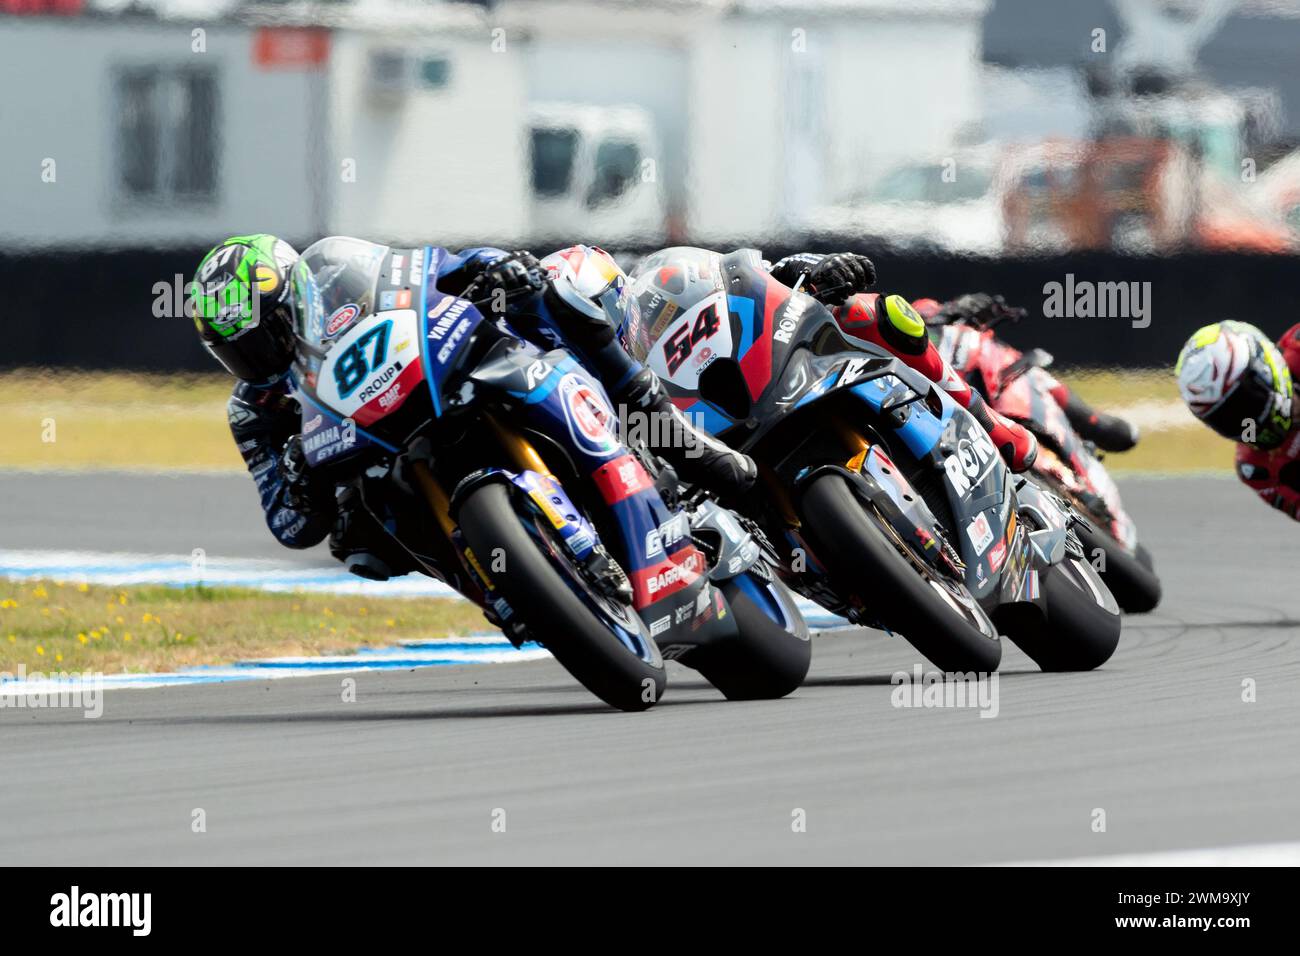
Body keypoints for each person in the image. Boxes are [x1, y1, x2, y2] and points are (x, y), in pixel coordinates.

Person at [188, 234, 764, 579]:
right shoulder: (253, 412)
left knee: (551, 290)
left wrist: (492, 266)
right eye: (239, 350)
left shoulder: (339, 278)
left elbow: (428, 267)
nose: (259, 355)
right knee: (355, 542)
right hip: (386, 467)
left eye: (266, 332)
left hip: (438, 381)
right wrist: (297, 474)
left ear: (295, 295)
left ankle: (671, 437)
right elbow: (289, 526)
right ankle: (503, 584)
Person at [764, 260, 1039, 471]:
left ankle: (984, 418)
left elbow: (764, 272)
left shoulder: (724, 267)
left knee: (871, 313)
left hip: (789, 350)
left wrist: (817, 267)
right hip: (738, 429)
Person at [916, 292, 1140, 454]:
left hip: (983, 372)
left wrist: (957, 307)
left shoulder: (898, 311)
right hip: (946, 411)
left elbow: (923, 309)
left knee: (1025, 371)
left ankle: (1090, 423)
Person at [1176, 320, 1300, 519]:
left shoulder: (1297, 345)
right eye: (1225, 419)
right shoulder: (1258, 469)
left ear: (1264, 367)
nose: (1246, 420)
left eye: (1246, 401)